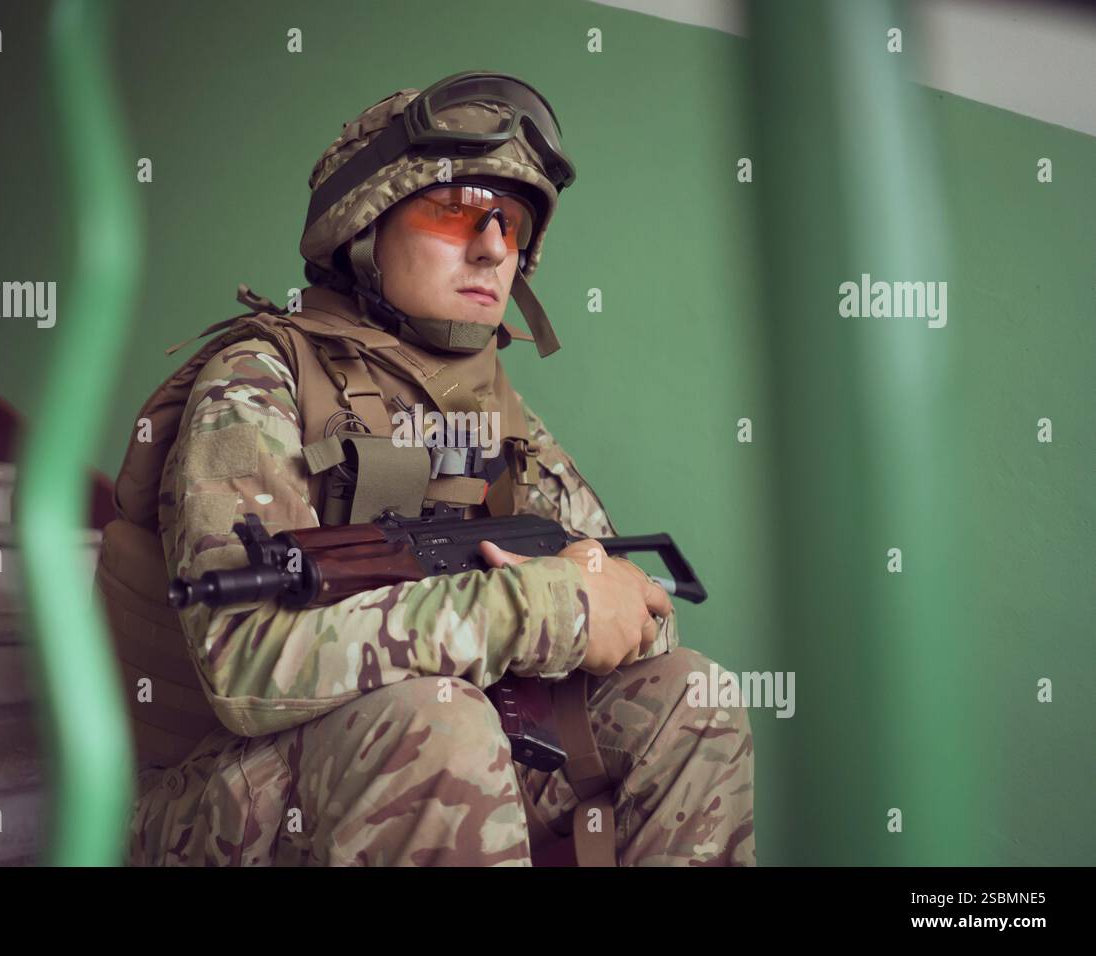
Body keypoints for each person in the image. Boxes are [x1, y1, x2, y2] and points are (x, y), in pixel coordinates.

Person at [126, 73, 755, 866]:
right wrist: (528, 609)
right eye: (454, 207)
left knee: (694, 697)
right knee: (437, 718)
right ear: (365, 225)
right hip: (246, 794)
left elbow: (630, 609)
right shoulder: (261, 380)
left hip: (477, 740)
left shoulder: (500, 414)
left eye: (512, 221)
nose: (493, 245)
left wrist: (596, 590)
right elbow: (245, 662)